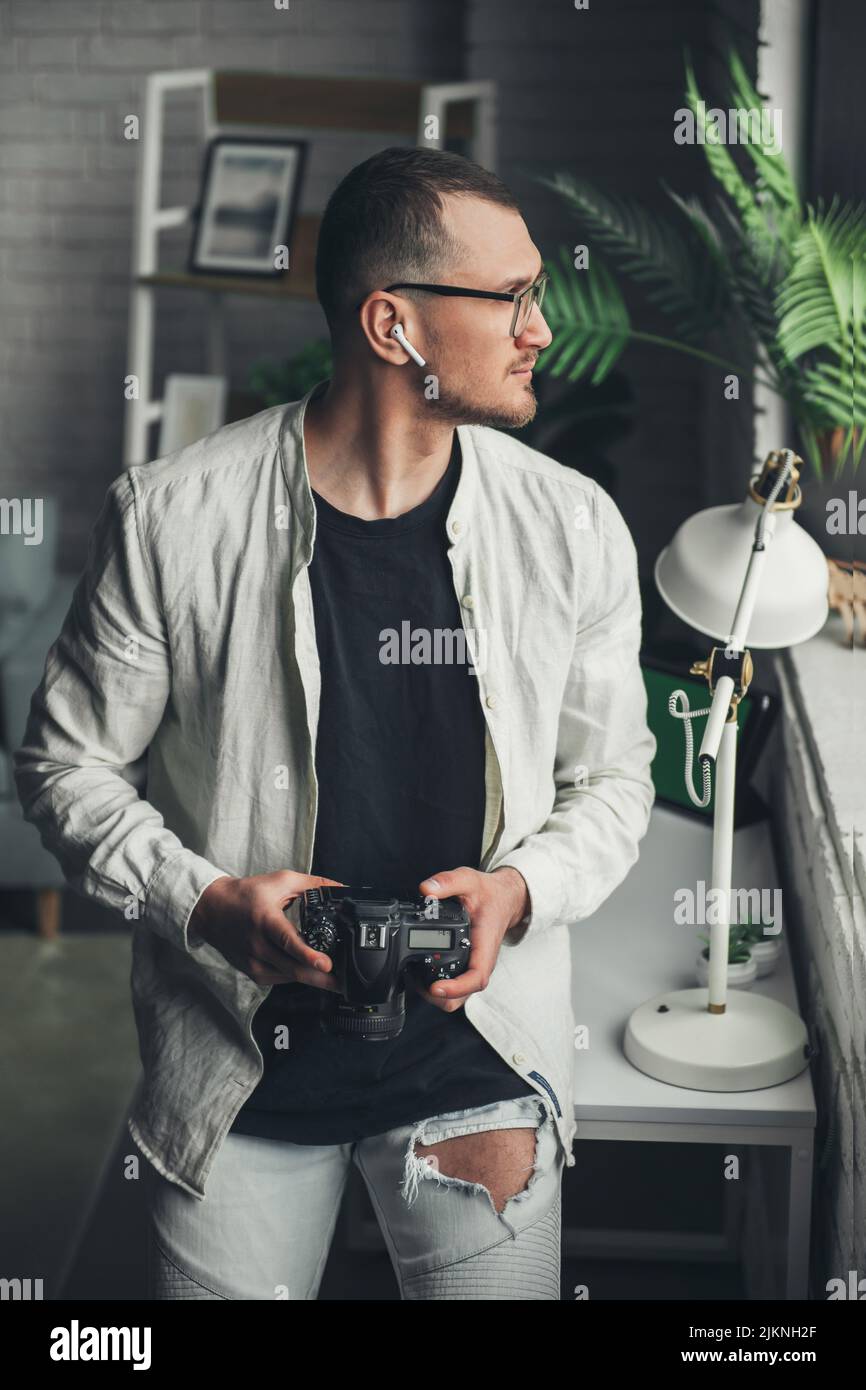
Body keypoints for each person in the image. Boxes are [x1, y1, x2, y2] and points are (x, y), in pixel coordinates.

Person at [14, 146, 656, 1301]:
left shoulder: (572, 526)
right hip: (241, 1063)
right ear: (391, 323)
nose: (540, 330)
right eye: (509, 297)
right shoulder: (171, 519)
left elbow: (610, 781)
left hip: (481, 1055)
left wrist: (514, 895)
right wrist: (205, 901)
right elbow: (67, 766)